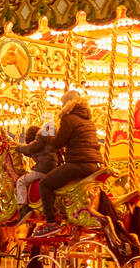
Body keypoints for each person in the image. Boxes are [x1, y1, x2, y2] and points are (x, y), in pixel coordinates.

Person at [37, 91, 103, 233]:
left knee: (44, 184)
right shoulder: (88, 120)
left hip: (79, 163)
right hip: (94, 165)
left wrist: (49, 136)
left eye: (62, 103)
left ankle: (51, 223)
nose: (61, 106)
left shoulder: (69, 118)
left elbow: (59, 143)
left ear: (67, 103)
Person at [13, 124, 55, 223]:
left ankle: (23, 207)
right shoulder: (47, 144)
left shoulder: (37, 144)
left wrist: (16, 146)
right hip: (52, 170)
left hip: (42, 170)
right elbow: (29, 152)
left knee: (21, 181)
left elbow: (27, 149)